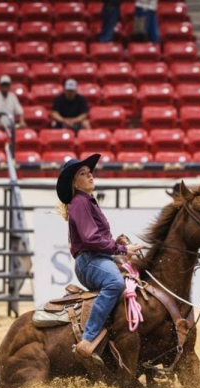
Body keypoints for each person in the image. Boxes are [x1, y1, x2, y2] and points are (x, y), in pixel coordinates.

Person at [56, 154, 143, 364]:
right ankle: (88, 339)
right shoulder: (80, 202)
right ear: (75, 183)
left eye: (90, 172)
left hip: (96, 259)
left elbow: (95, 239)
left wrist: (117, 245)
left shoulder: (85, 202)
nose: (90, 176)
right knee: (114, 282)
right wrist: (121, 248)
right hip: (90, 261)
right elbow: (91, 238)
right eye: (83, 174)